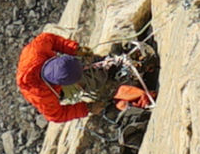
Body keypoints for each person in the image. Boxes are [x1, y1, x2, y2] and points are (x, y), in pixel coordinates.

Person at [12, 29, 153, 123]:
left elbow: (49, 38)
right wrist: (88, 108)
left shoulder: (36, 51)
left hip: (55, 71)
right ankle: (107, 88)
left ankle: (105, 67)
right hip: (53, 87)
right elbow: (56, 115)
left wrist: (75, 49)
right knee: (94, 84)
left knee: (90, 63)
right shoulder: (44, 97)